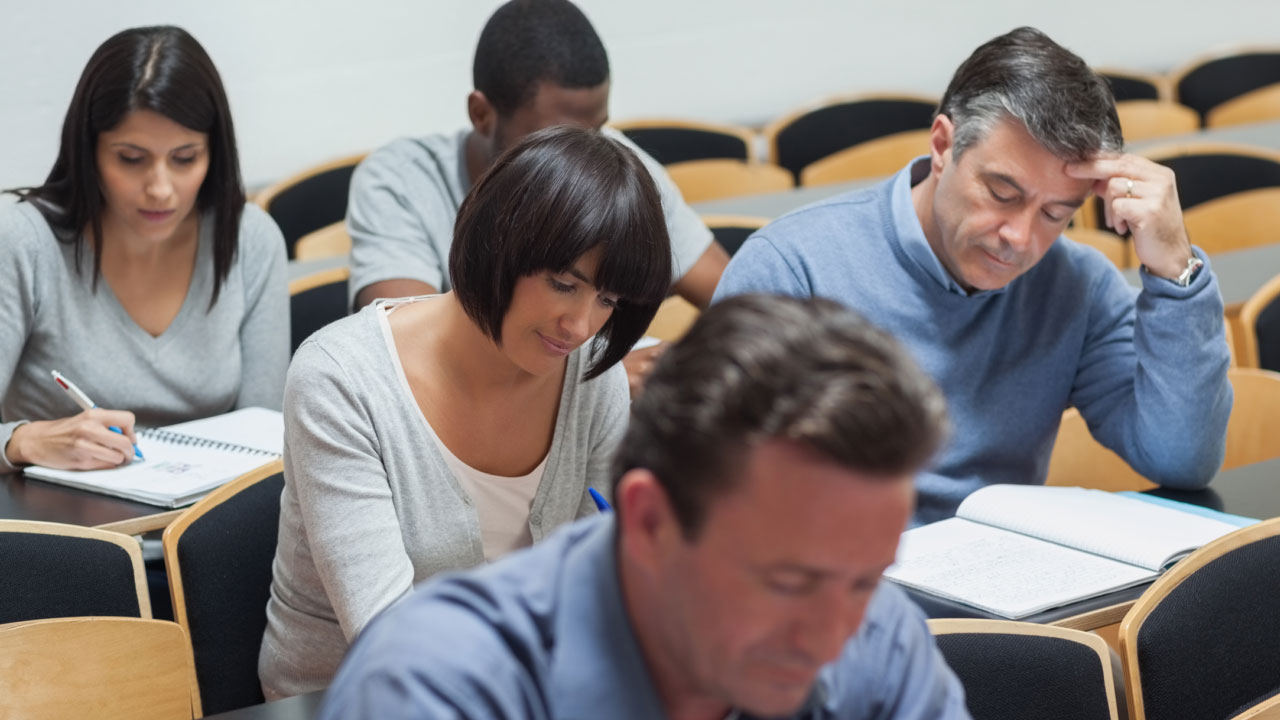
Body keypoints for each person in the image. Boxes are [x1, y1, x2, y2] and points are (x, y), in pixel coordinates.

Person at [317, 294, 967, 720]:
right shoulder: (436, 688)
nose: (830, 638)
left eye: (864, 580)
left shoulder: (877, 637)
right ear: (652, 522)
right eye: (787, 583)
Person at [713, 27, 1232, 524]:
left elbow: (1180, 458)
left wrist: (1173, 268)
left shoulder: (1077, 284)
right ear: (943, 146)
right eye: (1003, 193)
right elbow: (725, 491)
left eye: (1056, 214)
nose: (1021, 238)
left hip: (1007, 598)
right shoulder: (792, 269)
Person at [259, 126, 672, 699]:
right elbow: (390, 640)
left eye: (607, 300)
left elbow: (609, 589)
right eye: (562, 284)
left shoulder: (592, 374)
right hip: (349, 699)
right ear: (497, 243)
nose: (579, 327)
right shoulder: (341, 379)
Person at [346, 0, 729, 392]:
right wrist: (600, 381)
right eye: (553, 137)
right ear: (482, 114)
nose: (583, 152)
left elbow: (737, 296)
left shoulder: (619, 166)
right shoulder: (399, 181)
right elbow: (411, 349)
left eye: (597, 130)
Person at [0, 26, 289, 473]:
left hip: (207, 527)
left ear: (214, 154)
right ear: (89, 150)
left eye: (185, 158)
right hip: (64, 532)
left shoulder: (250, 239)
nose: (160, 189)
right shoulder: (23, 242)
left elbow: (268, 442)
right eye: (131, 159)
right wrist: (24, 440)